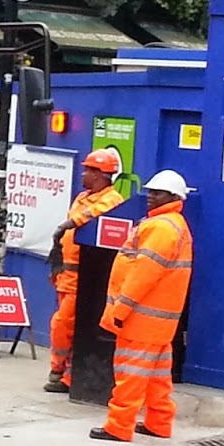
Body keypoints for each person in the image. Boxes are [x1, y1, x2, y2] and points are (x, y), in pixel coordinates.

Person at [91, 169, 194, 443]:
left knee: (130, 374)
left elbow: (143, 275)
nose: (150, 197)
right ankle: (159, 423)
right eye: (149, 191)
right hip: (160, 322)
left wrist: (120, 310)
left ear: (173, 196)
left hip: (140, 319)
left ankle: (118, 426)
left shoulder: (160, 227)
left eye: (157, 193)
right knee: (158, 377)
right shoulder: (174, 225)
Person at [43, 148, 126, 392]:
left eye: (89, 170)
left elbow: (85, 219)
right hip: (66, 275)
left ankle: (60, 371)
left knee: (62, 324)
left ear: (101, 175)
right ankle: (64, 373)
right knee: (65, 326)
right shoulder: (82, 197)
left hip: (85, 278)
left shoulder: (112, 200)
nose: (83, 174)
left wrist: (64, 226)